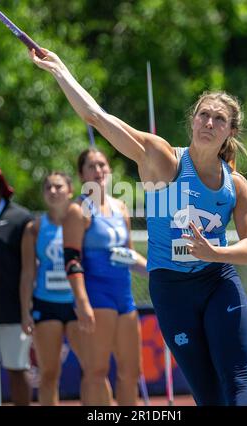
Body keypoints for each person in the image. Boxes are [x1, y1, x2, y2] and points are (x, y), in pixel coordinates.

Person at [29, 48, 247, 406]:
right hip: (171, 289)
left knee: (239, 382)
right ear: (193, 121)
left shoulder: (236, 184)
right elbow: (97, 117)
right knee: (208, 394)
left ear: (230, 130)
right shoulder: (161, 159)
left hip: (218, 281)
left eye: (219, 119)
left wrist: (215, 252)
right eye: (204, 115)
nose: (209, 123)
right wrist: (60, 69)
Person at [62, 148, 147, 406]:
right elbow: (72, 261)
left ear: (109, 170)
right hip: (97, 297)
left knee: (131, 371)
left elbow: (130, 255)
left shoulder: (120, 207)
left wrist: (159, 272)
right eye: (91, 166)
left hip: (124, 297)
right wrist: (83, 302)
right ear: (81, 174)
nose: (98, 170)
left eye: (102, 165)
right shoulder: (78, 211)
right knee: (96, 371)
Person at [20, 172, 85, 406]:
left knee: (92, 369)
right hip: (45, 305)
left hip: (77, 305)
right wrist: (25, 311)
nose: (53, 191)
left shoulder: (82, 222)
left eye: (58, 186)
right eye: (48, 187)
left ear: (70, 190)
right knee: (48, 374)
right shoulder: (34, 229)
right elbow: (28, 274)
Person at [0, 165, 33, 405]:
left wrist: (26, 310)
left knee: (17, 367)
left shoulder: (20, 218)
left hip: (13, 312)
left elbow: (28, 269)